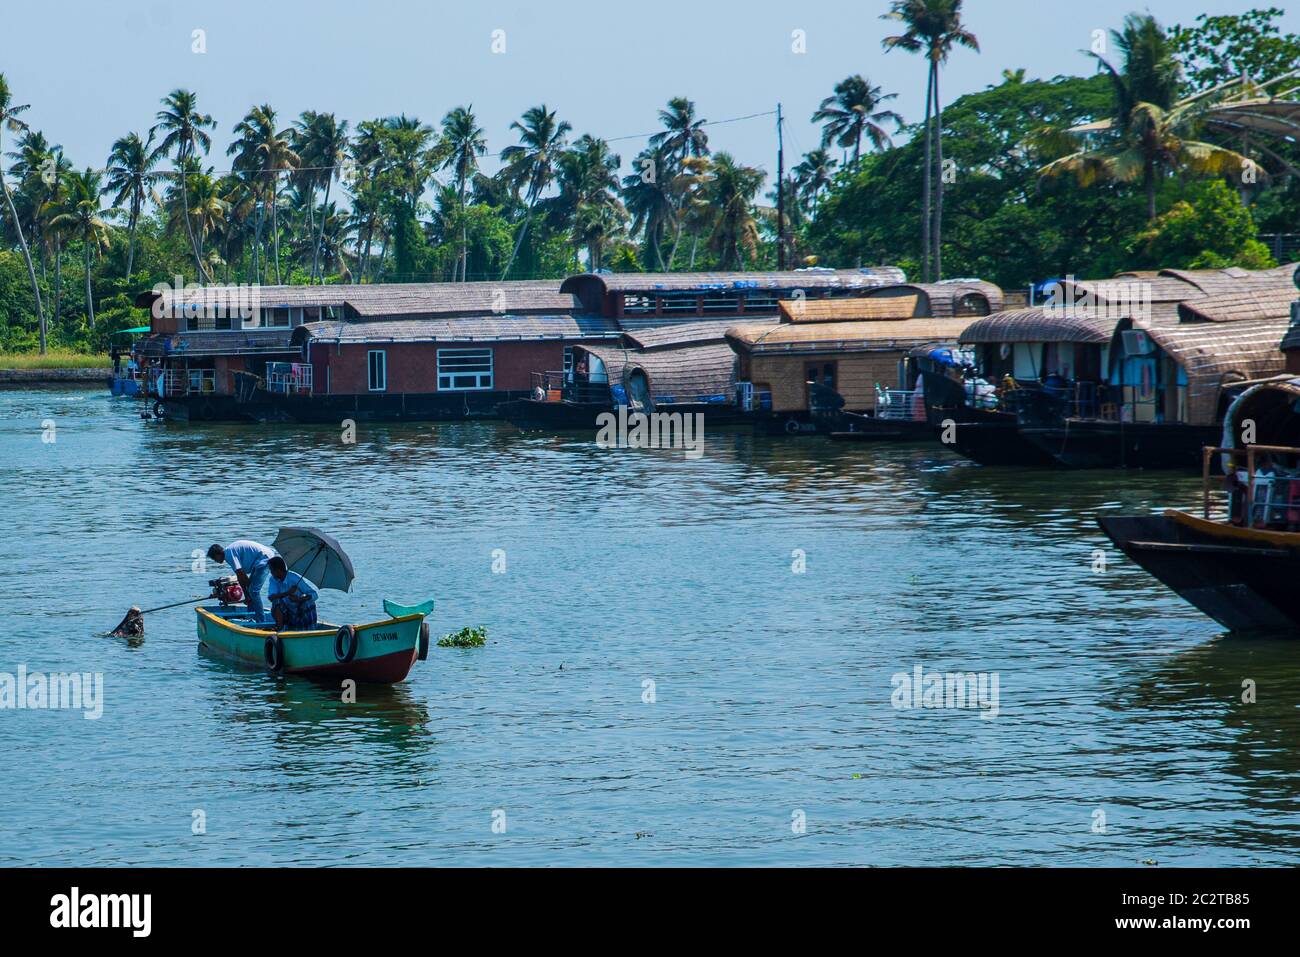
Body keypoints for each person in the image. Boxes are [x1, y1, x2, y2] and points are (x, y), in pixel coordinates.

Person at [207, 540, 278, 620]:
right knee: (250, 591)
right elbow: (241, 576)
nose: (215, 561)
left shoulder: (229, 554)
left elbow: (240, 574)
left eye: (214, 558)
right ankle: (252, 617)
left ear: (218, 554)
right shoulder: (229, 552)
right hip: (260, 559)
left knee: (254, 591)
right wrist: (247, 594)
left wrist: (247, 592)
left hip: (264, 558)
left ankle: (260, 620)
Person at [266, 556, 319, 630]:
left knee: (309, 602)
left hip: (299, 611)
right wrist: (287, 593)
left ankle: (310, 630)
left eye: (271, 570)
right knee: (276, 601)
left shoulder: (294, 578)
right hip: (286, 613)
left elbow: (315, 595)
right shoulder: (273, 580)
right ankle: (280, 630)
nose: (271, 573)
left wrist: (299, 599)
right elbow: (271, 597)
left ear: (278, 570)